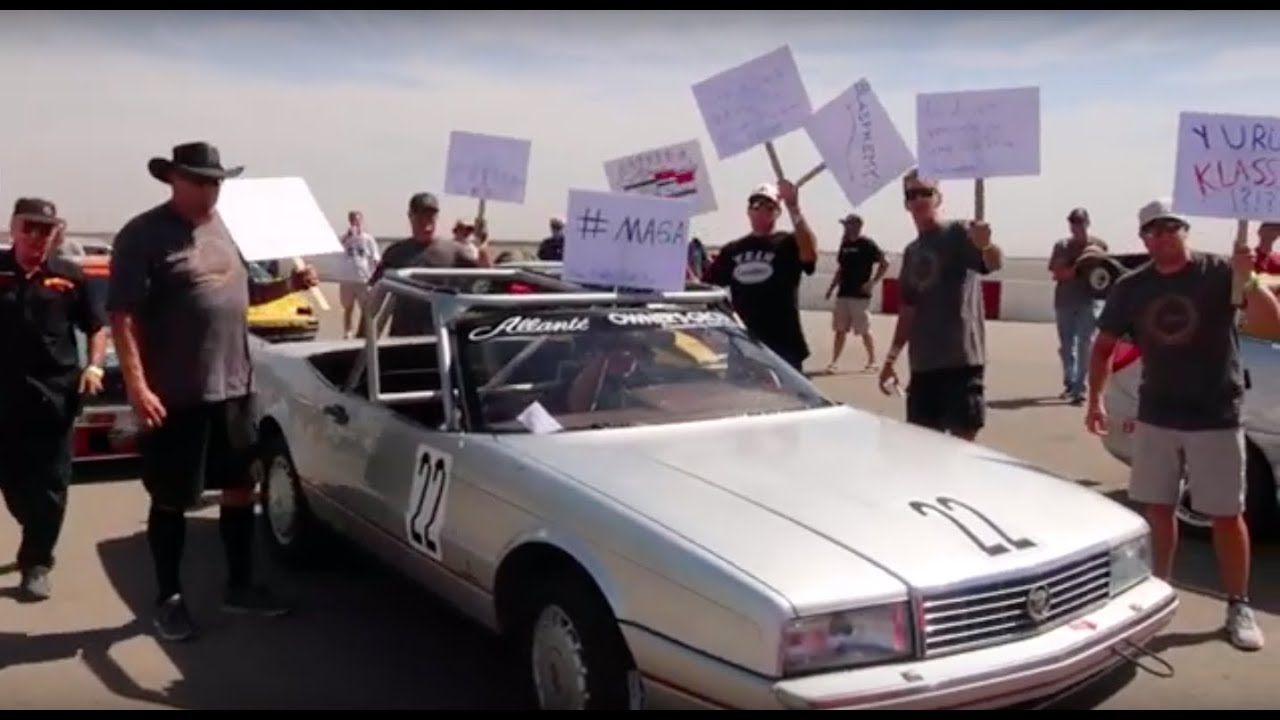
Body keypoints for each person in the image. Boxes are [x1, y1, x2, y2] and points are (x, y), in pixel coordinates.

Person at [107, 141, 319, 642]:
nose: (211, 189)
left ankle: (240, 585)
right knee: (173, 498)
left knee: (241, 487)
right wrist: (137, 387)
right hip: (175, 394)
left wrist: (290, 285)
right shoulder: (142, 235)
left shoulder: (228, 230)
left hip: (234, 387)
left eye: (217, 180)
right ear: (173, 180)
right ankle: (168, 598)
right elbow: (122, 316)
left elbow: (245, 296)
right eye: (200, 180)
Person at [1086, 198, 1280, 652]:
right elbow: (1103, 347)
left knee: (1227, 515)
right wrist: (1094, 400)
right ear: (1143, 238)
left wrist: (1248, 278)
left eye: (1171, 226)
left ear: (1186, 229)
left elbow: (1270, 321)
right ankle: (1158, 594)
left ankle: (1238, 603)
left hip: (1215, 414)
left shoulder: (1219, 271)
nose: (1163, 235)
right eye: (1153, 229)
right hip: (1158, 414)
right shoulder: (1132, 287)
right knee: (1158, 509)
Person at [0, 198, 108, 600]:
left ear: (55, 234)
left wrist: (94, 367)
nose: (36, 236)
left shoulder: (70, 277)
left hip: (54, 398)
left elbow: (97, 326)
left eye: (45, 229)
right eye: (29, 227)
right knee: (13, 484)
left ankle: (37, 562)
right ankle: (35, 530)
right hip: (4, 399)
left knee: (51, 486)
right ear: (13, 228)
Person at [878, 169, 1004, 440]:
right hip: (923, 368)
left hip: (961, 364)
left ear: (938, 197)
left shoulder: (959, 233)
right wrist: (891, 358)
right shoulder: (912, 252)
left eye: (926, 192)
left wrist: (987, 244)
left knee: (963, 453)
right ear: (906, 203)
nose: (919, 199)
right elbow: (908, 310)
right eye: (912, 194)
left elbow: (992, 263)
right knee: (922, 454)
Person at [703, 181, 818, 372]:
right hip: (744, 342)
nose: (761, 209)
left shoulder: (788, 243)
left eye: (769, 205)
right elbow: (709, 285)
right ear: (748, 211)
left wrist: (794, 208)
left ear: (777, 212)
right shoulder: (733, 249)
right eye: (755, 204)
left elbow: (809, 254)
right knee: (744, 397)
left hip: (783, 342)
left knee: (789, 399)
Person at [367, 192, 492, 337]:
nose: (426, 221)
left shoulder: (454, 251)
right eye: (421, 216)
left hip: (441, 337)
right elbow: (375, 293)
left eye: (430, 216)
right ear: (410, 216)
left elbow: (486, 279)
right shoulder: (395, 253)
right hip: (402, 336)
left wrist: (483, 248)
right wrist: (364, 336)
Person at [1047, 207, 1109, 405]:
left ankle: (1079, 388)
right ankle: (1070, 382)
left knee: (1085, 343)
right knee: (1067, 347)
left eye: (1080, 222)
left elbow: (1106, 273)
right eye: (1073, 222)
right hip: (1065, 301)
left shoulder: (1099, 245)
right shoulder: (1062, 246)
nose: (1077, 226)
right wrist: (1079, 265)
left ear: (1087, 223)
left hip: (1089, 301)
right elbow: (1059, 273)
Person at [824, 213, 889, 374]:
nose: (846, 228)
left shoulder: (867, 244)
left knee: (863, 329)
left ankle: (873, 361)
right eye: (845, 225)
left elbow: (884, 263)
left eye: (848, 224)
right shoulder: (844, 245)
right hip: (844, 293)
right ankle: (834, 362)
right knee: (840, 329)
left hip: (860, 295)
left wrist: (872, 282)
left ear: (858, 225)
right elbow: (841, 268)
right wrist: (832, 288)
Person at [339, 210, 380, 339]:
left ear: (361, 221)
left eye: (357, 220)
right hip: (347, 279)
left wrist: (375, 277)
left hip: (363, 278)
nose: (355, 223)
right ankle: (348, 332)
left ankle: (364, 332)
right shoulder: (344, 239)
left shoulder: (368, 239)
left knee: (366, 308)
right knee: (348, 307)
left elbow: (376, 258)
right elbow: (336, 255)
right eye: (352, 220)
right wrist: (347, 237)